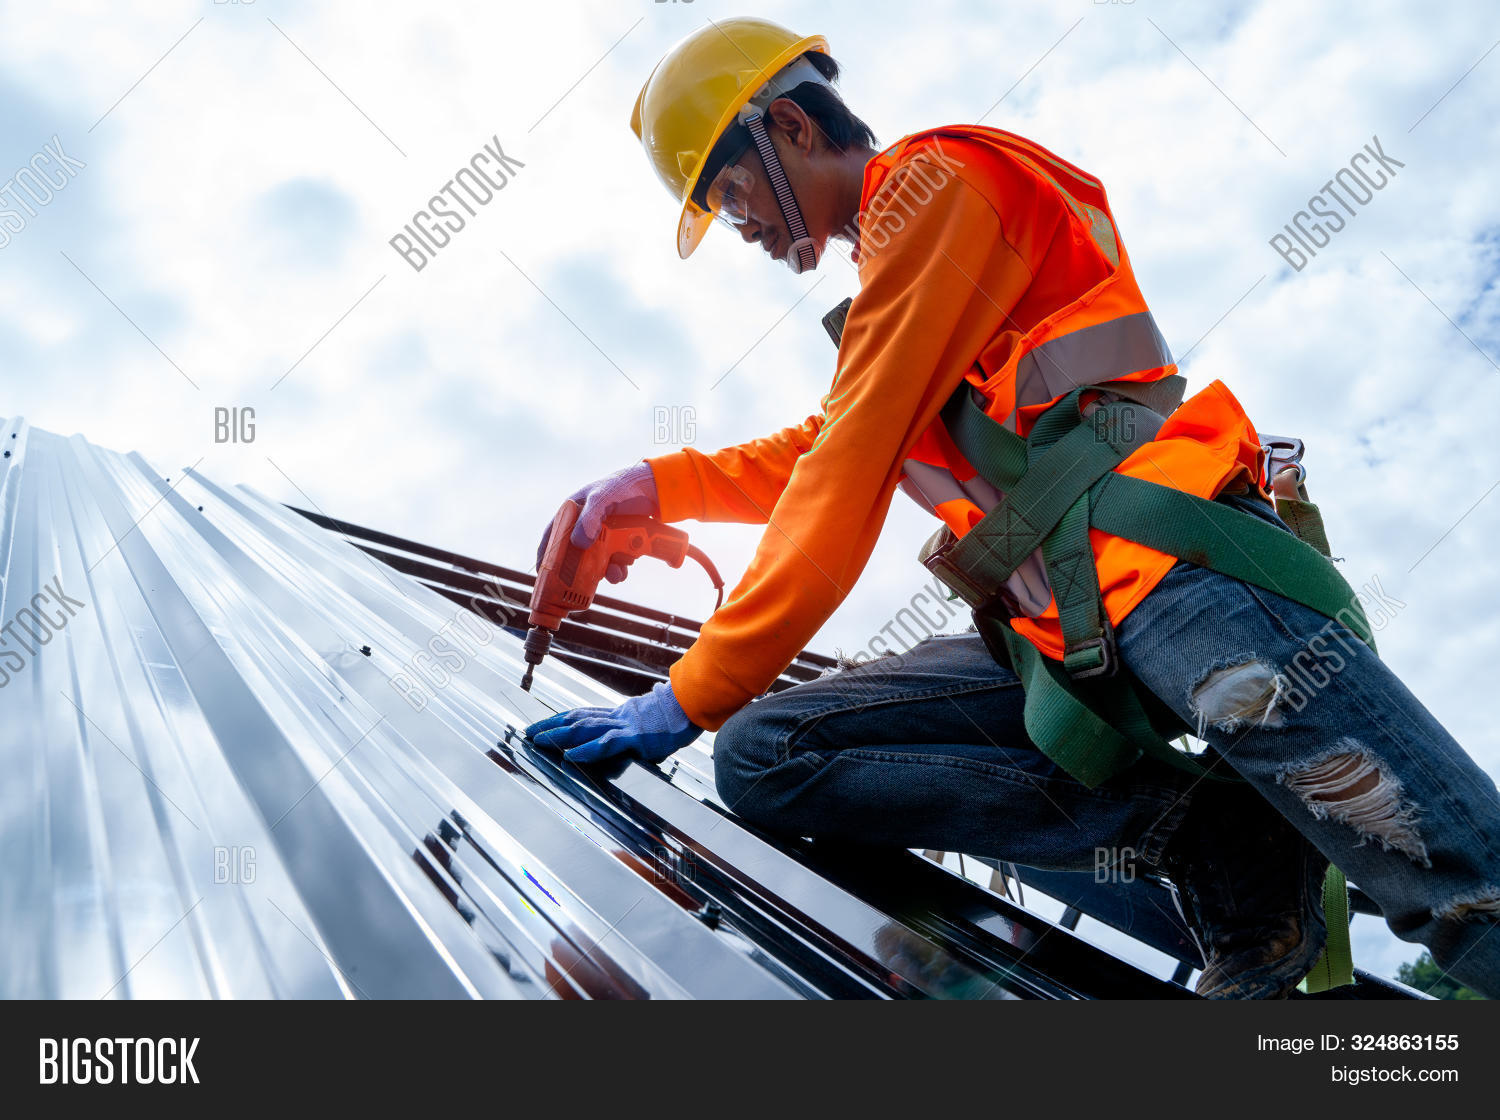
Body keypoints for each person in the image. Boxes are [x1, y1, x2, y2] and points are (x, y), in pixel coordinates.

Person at [525, 17, 1500, 998]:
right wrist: (656, 484)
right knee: (769, 754)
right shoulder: (896, 276)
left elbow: (844, 470)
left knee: (1464, 887)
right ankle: (1214, 837)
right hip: (1061, 640)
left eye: (730, 193)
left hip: (1176, 576)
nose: (744, 228)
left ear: (791, 126)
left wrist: (685, 693)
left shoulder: (936, 185)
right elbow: (832, 444)